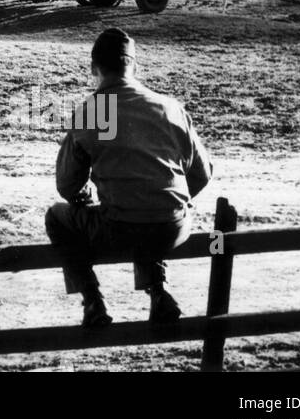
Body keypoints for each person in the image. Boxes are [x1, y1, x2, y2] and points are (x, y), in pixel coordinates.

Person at [45, 27, 213, 328]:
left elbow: (66, 185)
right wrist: (167, 197)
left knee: (56, 218)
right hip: (172, 229)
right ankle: (159, 293)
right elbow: (202, 174)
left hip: (119, 230)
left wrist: (82, 196)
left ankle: (92, 298)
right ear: (133, 65)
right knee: (148, 206)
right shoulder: (169, 107)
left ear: (94, 68)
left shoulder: (96, 111)